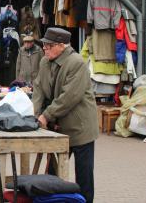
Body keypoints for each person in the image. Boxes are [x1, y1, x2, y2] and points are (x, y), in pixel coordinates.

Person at [33, 27, 98, 203]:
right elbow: (38, 87)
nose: (44, 49)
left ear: (62, 46)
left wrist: (46, 115)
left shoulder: (76, 63)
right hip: (58, 127)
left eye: (48, 46)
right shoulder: (45, 62)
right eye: (44, 45)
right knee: (52, 174)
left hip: (80, 128)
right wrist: (36, 114)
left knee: (83, 176)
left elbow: (69, 97)